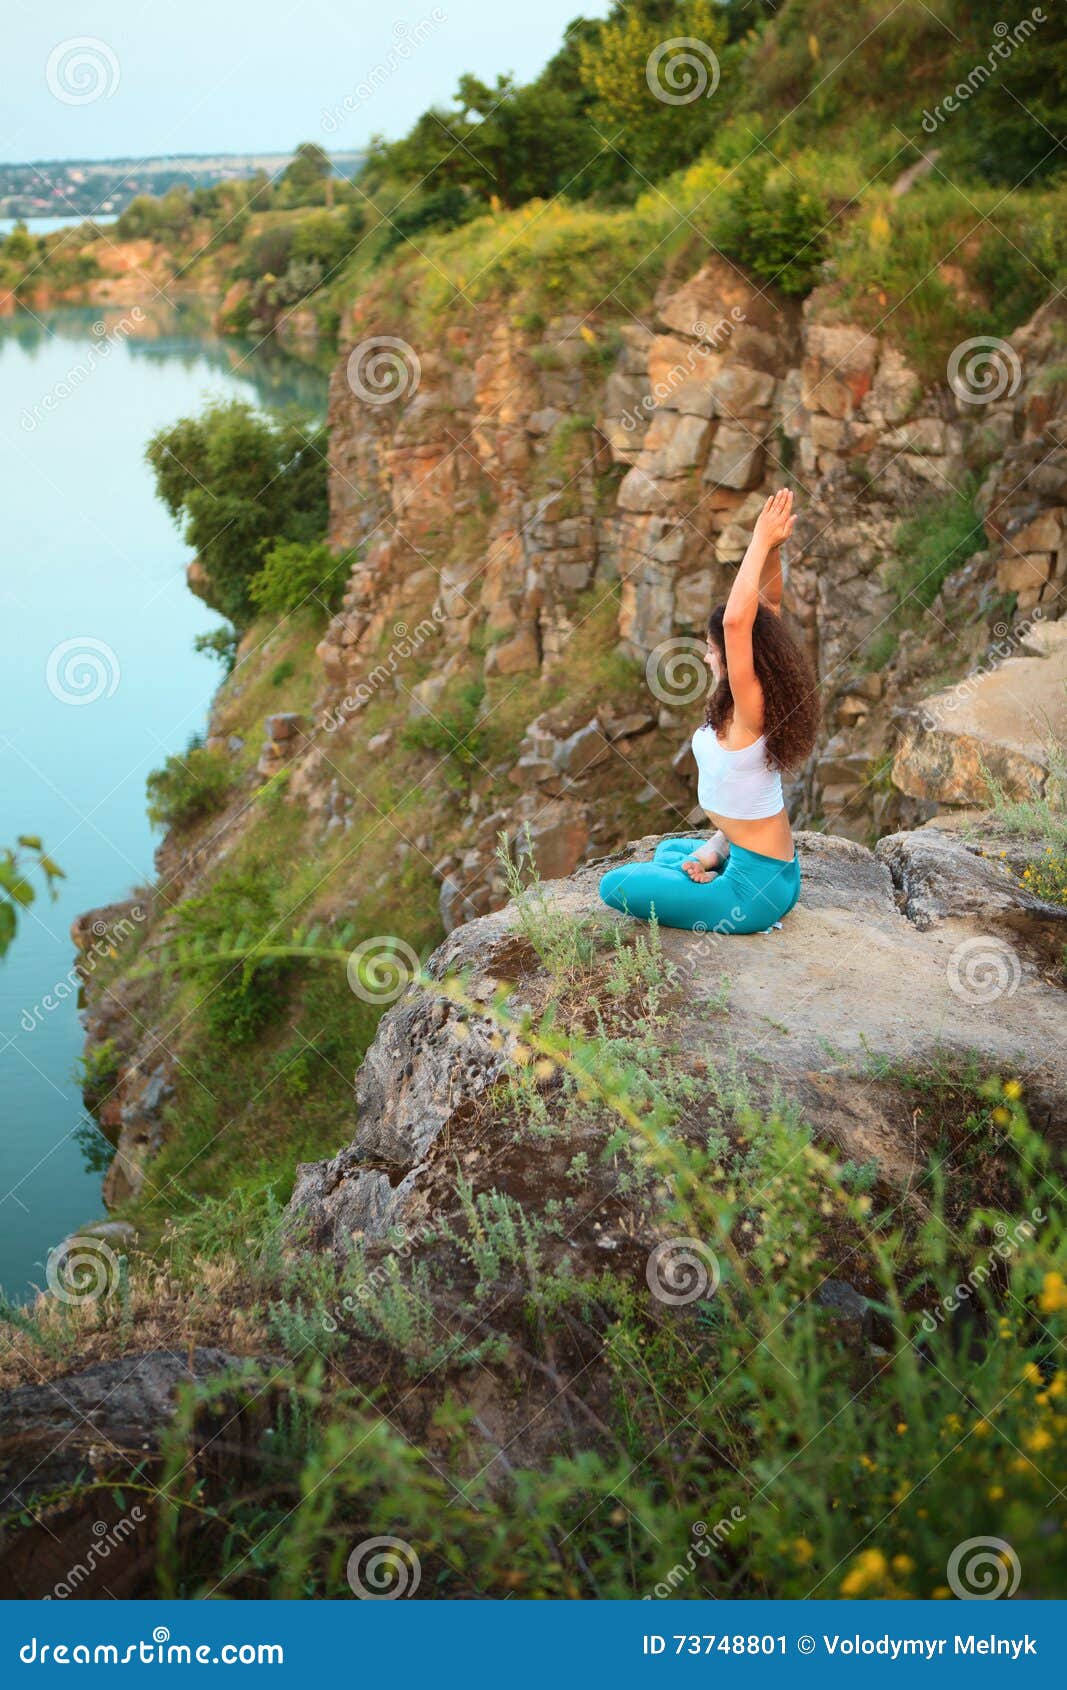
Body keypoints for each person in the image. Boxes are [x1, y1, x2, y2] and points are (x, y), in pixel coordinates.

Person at [599, 489, 820, 935]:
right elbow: (766, 609)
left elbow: (738, 622)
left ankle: (712, 878)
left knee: (613, 885)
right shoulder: (749, 704)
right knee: (671, 854)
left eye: (711, 649)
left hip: (751, 894)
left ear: (734, 655)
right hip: (757, 865)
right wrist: (774, 550)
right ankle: (709, 863)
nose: (706, 657)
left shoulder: (751, 707)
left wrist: (757, 539)